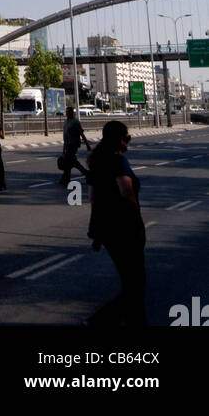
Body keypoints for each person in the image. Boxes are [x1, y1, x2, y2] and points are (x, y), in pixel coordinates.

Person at [86, 119, 147, 327]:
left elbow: (94, 200)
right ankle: (99, 321)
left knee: (131, 283)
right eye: (127, 138)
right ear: (119, 140)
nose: (128, 142)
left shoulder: (96, 163)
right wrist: (137, 223)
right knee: (136, 284)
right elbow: (127, 194)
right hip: (126, 230)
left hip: (108, 232)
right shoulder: (118, 161)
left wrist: (96, 233)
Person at [59, 105, 90, 186]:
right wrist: (64, 146)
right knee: (72, 162)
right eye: (66, 112)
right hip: (67, 144)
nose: (67, 113)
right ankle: (87, 174)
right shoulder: (66, 122)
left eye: (68, 112)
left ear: (72, 113)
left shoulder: (75, 122)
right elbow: (65, 135)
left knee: (68, 162)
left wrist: (87, 144)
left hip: (73, 144)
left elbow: (81, 133)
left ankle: (66, 179)